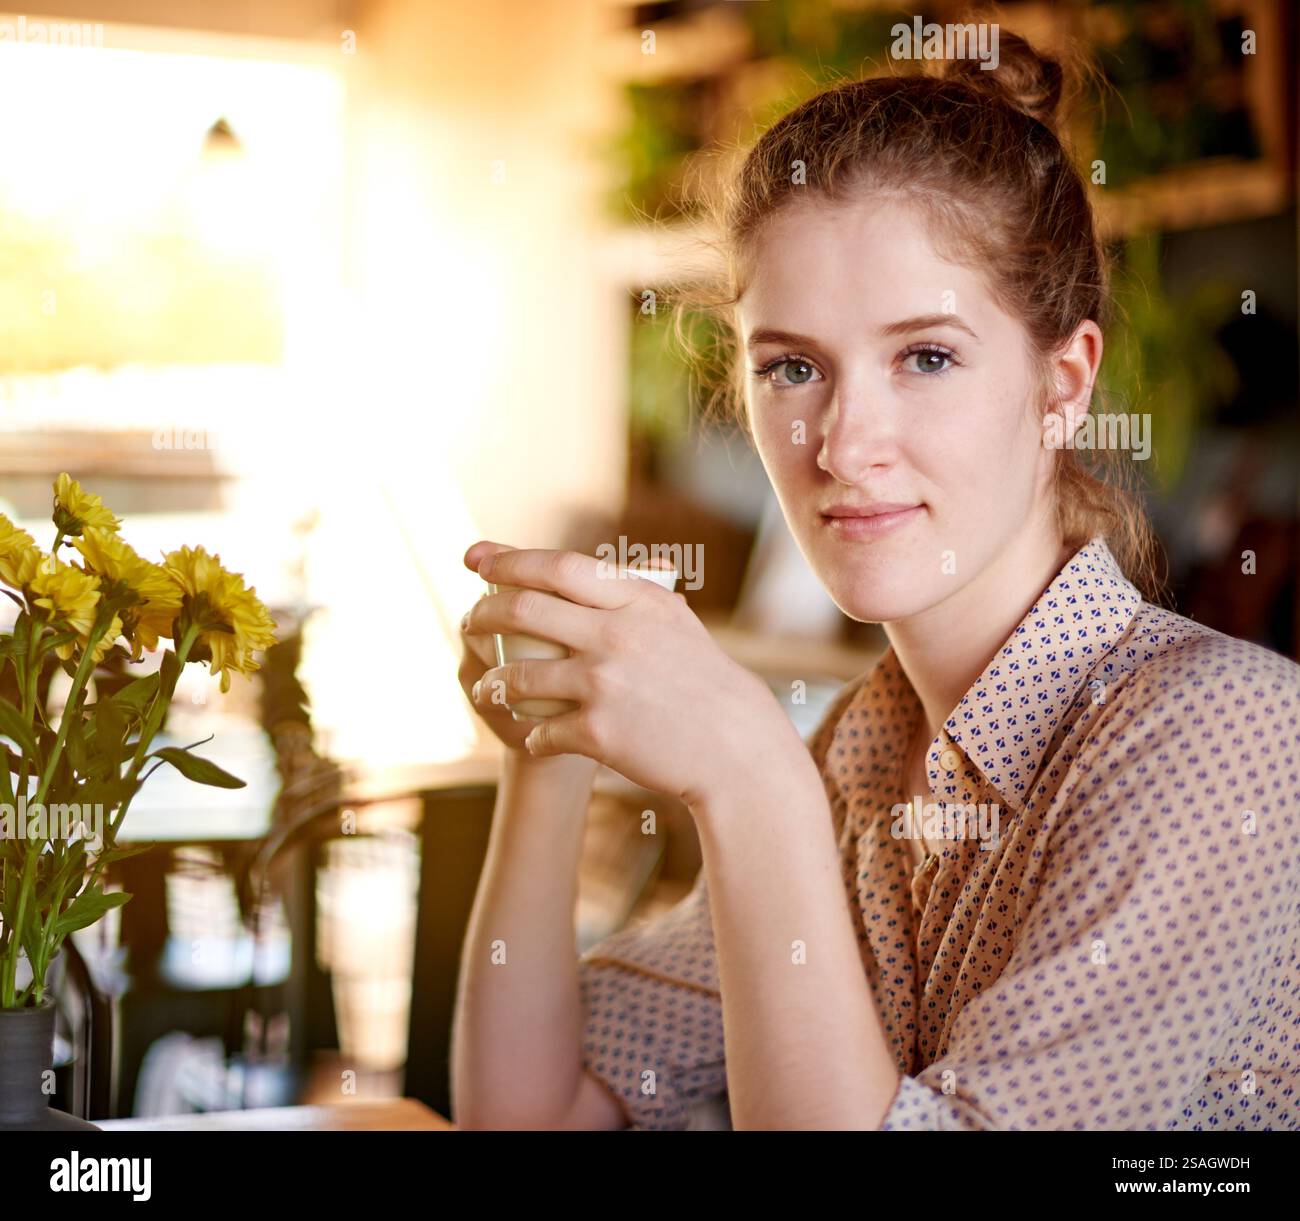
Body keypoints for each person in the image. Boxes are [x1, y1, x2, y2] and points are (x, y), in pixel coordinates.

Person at [449, 31, 1300, 1130]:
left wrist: (751, 782)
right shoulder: (864, 748)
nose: (845, 445)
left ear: (1065, 382)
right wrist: (546, 747)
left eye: (927, 357)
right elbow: (537, 1120)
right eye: (792, 367)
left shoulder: (1222, 738)